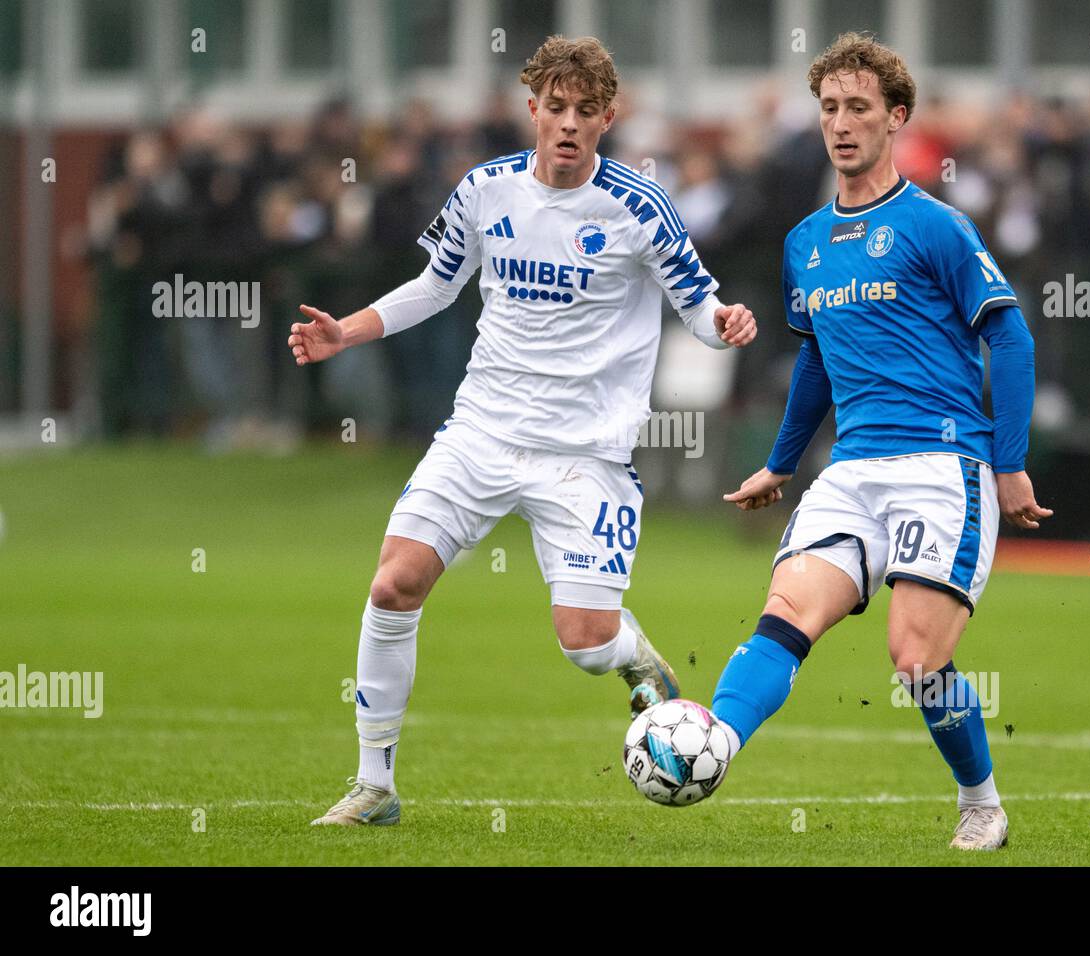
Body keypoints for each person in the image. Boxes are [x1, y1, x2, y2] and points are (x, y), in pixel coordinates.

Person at [289, 36, 757, 826]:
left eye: (586, 111)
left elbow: (698, 304)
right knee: (393, 583)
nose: (568, 124)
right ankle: (375, 785)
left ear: (609, 117)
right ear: (531, 107)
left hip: (585, 457)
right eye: (556, 107)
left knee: (582, 642)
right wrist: (349, 330)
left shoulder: (639, 208)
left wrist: (726, 323)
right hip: (481, 430)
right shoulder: (485, 189)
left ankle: (629, 651)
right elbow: (435, 287)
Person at [707, 32, 1047, 850]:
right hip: (851, 468)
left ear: (896, 117)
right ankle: (706, 747)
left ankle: (980, 803)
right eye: (828, 108)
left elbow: (1013, 339)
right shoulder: (805, 244)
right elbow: (818, 358)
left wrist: (1008, 463)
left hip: (944, 464)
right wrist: (782, 462)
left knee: (915, 661)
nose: (841, 123)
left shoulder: (937, 226)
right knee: (785, 614)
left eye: (859, 107)